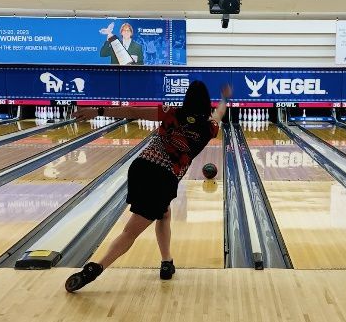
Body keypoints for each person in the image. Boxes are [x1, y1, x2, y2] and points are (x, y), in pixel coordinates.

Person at [65, 81, 232, 292]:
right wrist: (225, 98)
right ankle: (96, 268)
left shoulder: (171, 112)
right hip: (162, 179)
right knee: (130, 232)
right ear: (206, 103)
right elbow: (219, 113)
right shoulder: (210, 126)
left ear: (186, 98)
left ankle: (166, 262)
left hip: (141, 168)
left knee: (164, 214)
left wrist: (97, 110)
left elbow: (133, 111)